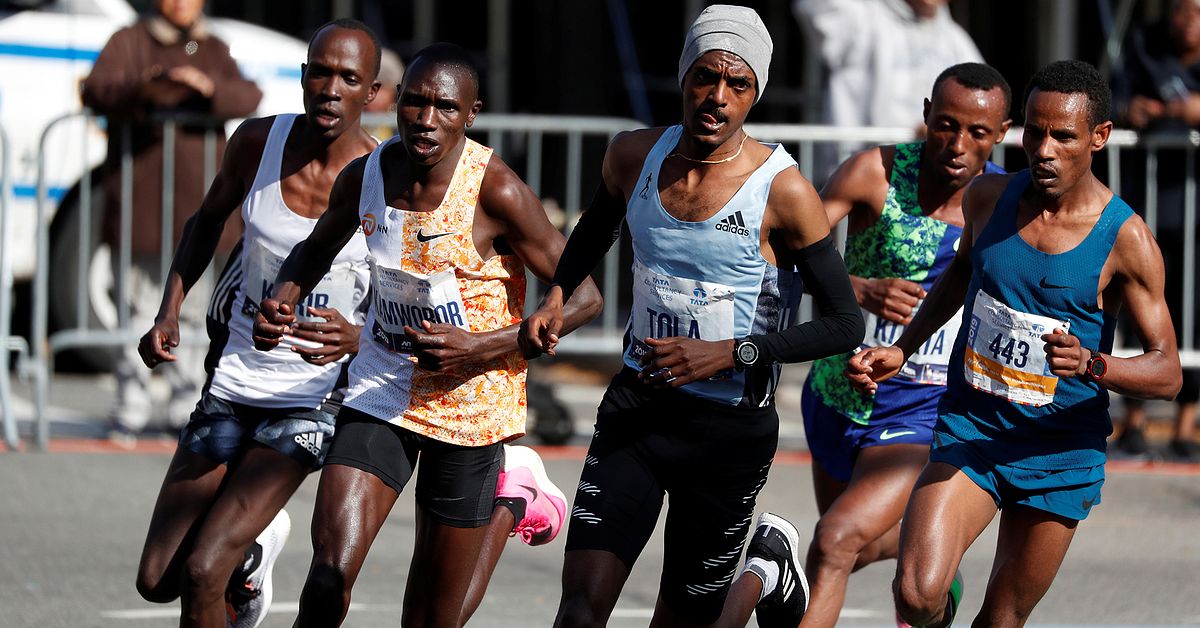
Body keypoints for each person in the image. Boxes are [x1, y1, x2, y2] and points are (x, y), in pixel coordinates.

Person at [521, 6, 864, 627]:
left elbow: (845, 323)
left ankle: (765, 572)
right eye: (706, 76)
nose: (718, 97)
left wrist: (733, 352)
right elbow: (596, 228)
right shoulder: (632, 155)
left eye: (738, 84)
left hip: (729, 430)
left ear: (755, 94)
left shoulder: (783, 190)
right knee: (578, 614)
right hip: (638, 407)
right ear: (684, 77)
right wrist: (556, 293)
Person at [253, 42, 602, 627]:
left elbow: (585, 295)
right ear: (396, 102)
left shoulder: (496, 190)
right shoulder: (367, 174)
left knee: (433, 619)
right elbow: (315, 247)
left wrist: (483, 346)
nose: (425, 119)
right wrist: (281, 300)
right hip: (382, 386)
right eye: (415, 102)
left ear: (471, 114)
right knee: (326, 578)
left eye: (445, 107)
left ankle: (511, 500)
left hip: (471, 405)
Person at [848, 60, 1183, 627]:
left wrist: (1093, 363)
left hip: (1058, 452)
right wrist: (904, 348)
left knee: (1002, 619)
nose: (1044, 150)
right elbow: (960, 274)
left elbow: (1168, 372)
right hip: (973, 429)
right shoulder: (987, 198)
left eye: (1064, 137)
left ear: (1099, 136)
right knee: (917, 595)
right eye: (1035, 132)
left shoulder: (1127, 239)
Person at [133, 19, 380, 628]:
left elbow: (408, 294)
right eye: (320, 72)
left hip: (311, 395)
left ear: (373, 93)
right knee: (157, 579)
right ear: (303, 77)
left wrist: (358, 338)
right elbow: (206, 220)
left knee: (202, 571)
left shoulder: (384, 178)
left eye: (349, 79)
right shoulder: (257, 142)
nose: (331, 89)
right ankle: (252, 553)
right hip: (235, 375)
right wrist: (169, 309)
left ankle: (232, 557)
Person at [798, 62, 1011, 628]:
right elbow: (791, 250)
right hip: (838, 392)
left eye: (978, 132)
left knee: (835, 541)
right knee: (842, 546)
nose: (958, 145)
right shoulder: (875, 172)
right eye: (946, 125)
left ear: (1002, 133)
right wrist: (859, 288)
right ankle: (932, 567)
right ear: (926, 116)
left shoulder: (1006, 202)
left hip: (924, 407)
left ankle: (925, 574)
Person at [82, 0, 262, 440]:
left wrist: (207, 87)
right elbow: (96, 90)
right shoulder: (129, 41)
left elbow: (248, 95)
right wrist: (148, 88)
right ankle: (130, 407)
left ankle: (184, 405)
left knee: (195, 313)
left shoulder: (212, 46)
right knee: (136, 309)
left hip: (200, 208)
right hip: (141, 208)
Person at [1109, 0, 1200, 460]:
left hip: (1195, 213)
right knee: (1137, 309)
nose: (1190, 22)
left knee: (1192, 314)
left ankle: (1186, 426)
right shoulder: (1145, 46)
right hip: (1150, 204)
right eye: (1183, 11)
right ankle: (1133, 422)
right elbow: (1111, 99)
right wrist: (1131, 110)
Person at [793, 0, 982, 134]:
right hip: (862, 166)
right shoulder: (862, 18)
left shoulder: (957, 41)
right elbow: (813, 6)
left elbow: (981, 102)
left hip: (922, 169)